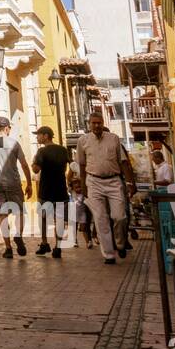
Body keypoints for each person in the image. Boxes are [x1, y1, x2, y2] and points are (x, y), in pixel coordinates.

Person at [75, 111, 135, 264]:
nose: (96, 125)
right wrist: (83, 187)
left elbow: (123, 162)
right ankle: (109, 254)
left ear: (103, 123)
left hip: (114, 181)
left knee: (119, 216)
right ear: (89, 124)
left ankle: (120, 243)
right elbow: (82, 166)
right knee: (100, 219)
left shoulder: (113, 139)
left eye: (99, 123)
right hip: (93, 182)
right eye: (93, 123)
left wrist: (129, 183)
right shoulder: (83, 141)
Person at [0, 116, 33, 259]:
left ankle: (8, 248)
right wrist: (29, 183)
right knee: (19, 212)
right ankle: (18, 236)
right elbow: (24, 164)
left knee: (2, 215)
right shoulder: (13, 143)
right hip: (13, 182)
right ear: (7, 128)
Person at [32, 126, 71, 258]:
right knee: (59, 219)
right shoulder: (63, 150)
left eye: (38, 135)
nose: (37, 137)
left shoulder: (41, 151)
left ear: (46, 136)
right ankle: (58, 247)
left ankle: (44, 243)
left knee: (43, 218)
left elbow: (36, 170)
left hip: (46, 190)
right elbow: (69, 167)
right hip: (61, 189)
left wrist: (34, 163)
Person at [70, 176, 94, 249]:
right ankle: (74, 241)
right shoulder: (71, 192)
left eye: (79, 183)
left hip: (82, 213)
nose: (77, 185)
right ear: (72, 186)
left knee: (84, 227)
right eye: (75, 184)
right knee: (74, 228)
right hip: (73, 212)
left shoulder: (84, 193)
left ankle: (88, 242)